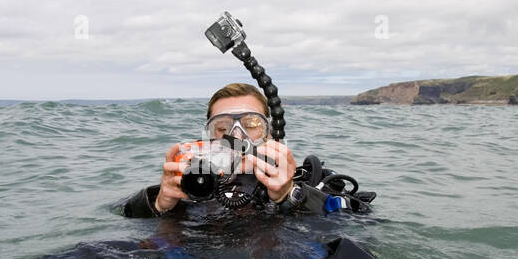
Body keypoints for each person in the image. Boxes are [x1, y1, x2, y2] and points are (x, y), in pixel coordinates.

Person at [117, 82, 365, 218]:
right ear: (208, 136)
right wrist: (160, 203)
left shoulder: (305, 181)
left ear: (269, 133)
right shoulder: (193, 183)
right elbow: (121, 216)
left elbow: (359, 220)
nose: (236, 136)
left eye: (251, 125)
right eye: (222, 127)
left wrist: (292, 195)